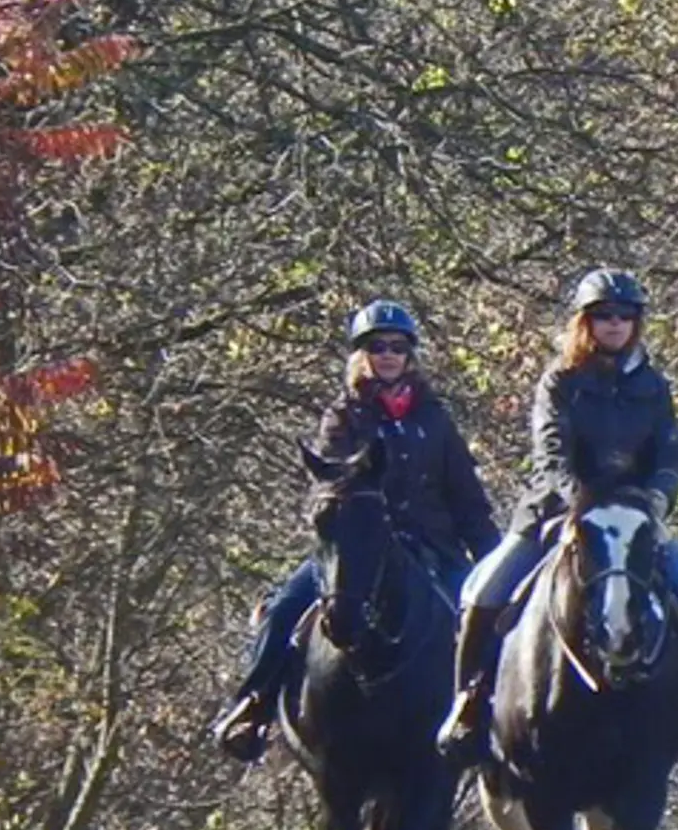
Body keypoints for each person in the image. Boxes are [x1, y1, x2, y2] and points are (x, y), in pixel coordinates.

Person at [436, 268, 678, 769]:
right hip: (559, 514)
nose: (616, 324)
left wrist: (658, 498)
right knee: (482, 593)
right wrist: (579, 499)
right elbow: (551, 455)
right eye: (604, 316)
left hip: (637, 517)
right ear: (586, 322)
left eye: (625, 316)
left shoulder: (653, 386)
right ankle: (466, 707)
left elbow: (670, 455)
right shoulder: (560, 382)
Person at [214, 299, 501, 763]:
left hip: (432, 545)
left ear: (410, 355)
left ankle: (487, 715)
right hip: (359, 548)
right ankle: (252, 705)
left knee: (484, 619)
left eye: (397, 346)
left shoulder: (434, 418)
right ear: (361, 355)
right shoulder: (344, 416)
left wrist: (491, 556)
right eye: (377, 346)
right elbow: (331, 481)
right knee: (286, 608)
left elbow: (466, 496)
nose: (388, 354)